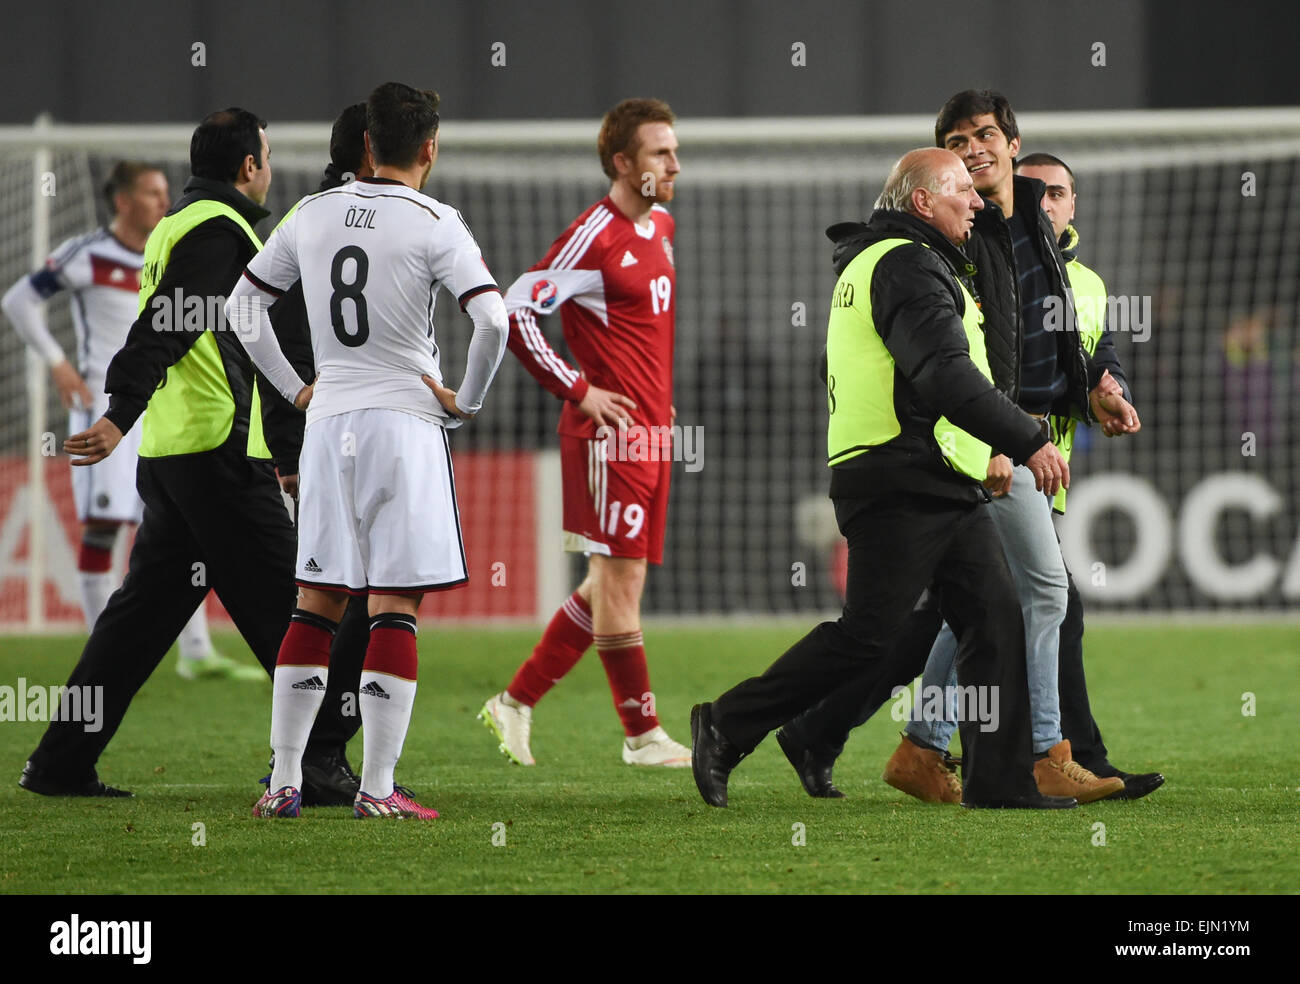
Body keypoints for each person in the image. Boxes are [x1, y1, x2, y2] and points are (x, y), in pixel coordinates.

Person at [775, 94, 1162, 804]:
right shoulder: (964, 238)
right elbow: (958, 360)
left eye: (985, 134)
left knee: (946, 619)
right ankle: (1041, 753)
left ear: (1014, 144)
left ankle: (867, 738)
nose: (975, 147)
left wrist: (1101, 386)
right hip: (989, 445)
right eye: (959, 140)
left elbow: (1071, 343)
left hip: (1025, 443)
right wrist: (996, 443)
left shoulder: (1038, 235)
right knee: (1033, 598)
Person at [690, 148, 1076, 810]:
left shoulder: (881, 264)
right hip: (900, 478)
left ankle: (999, 782)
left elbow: (849, 366)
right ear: (922, 202)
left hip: (936, 477)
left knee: (994, 619)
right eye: (961, 190)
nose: (978, 201)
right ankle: (726, 725)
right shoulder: (907, 266)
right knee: (869, 637)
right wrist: (1030, 438)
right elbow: (945, 376)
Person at [17, 109, 337, 799]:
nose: (271, 167)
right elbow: (167, 321)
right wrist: (118, 412)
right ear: (248, 166)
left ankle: (59, 762)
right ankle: (317, 759)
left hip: (174, 452)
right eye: (267, 156)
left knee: (135, 626)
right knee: (294, 608)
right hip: (215, 449)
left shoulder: (173, 226)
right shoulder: (220, 232)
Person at [227, 82, 509, 819]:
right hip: (404, 423)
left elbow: (241, 308)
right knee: (394, 607)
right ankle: (378, 790)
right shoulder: (435, 221)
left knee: (314, 604)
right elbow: (494, 321)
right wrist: (467, 401)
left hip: (329, 423)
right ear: (429, 148)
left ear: (364, 143)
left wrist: (296, 392)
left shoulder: (309, 214)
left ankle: (284, 781)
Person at [478, 98, 690, 768]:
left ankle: (514, 702)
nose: (675, 163)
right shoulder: (592, 237)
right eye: (660, 153)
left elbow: (643, 336)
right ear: (623, 162)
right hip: (607, 441)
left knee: (611, 584)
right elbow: (513, 312)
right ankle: (643, 736)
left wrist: (661, 404)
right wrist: (578, 389)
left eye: (674, 150)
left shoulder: (661, 227)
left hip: (651, 432)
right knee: (618, 583)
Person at [0, 162, 251, 681]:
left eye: (166, 191)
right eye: (152, 193)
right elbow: (19, 299)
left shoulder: (171, 255)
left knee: (183, 523)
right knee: (104, 528)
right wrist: (57, 361)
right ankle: (103, 656)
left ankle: (197, 652)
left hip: (162, 408)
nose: (164, 201)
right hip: (102, 405)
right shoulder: (88, 253)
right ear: (123, 201)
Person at [1015, 152, 1164, 798]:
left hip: (1046, 476)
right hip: (997, 466)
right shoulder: (1002, 270)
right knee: (1052, 606)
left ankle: (910, 742)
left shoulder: (1091, 285)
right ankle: (1074, 761)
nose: (1049, 204)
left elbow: (1096, 360)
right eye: (1037, 193)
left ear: (1074, 204)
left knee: (962, 616)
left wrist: (1110, 392)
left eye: (1059, 194)